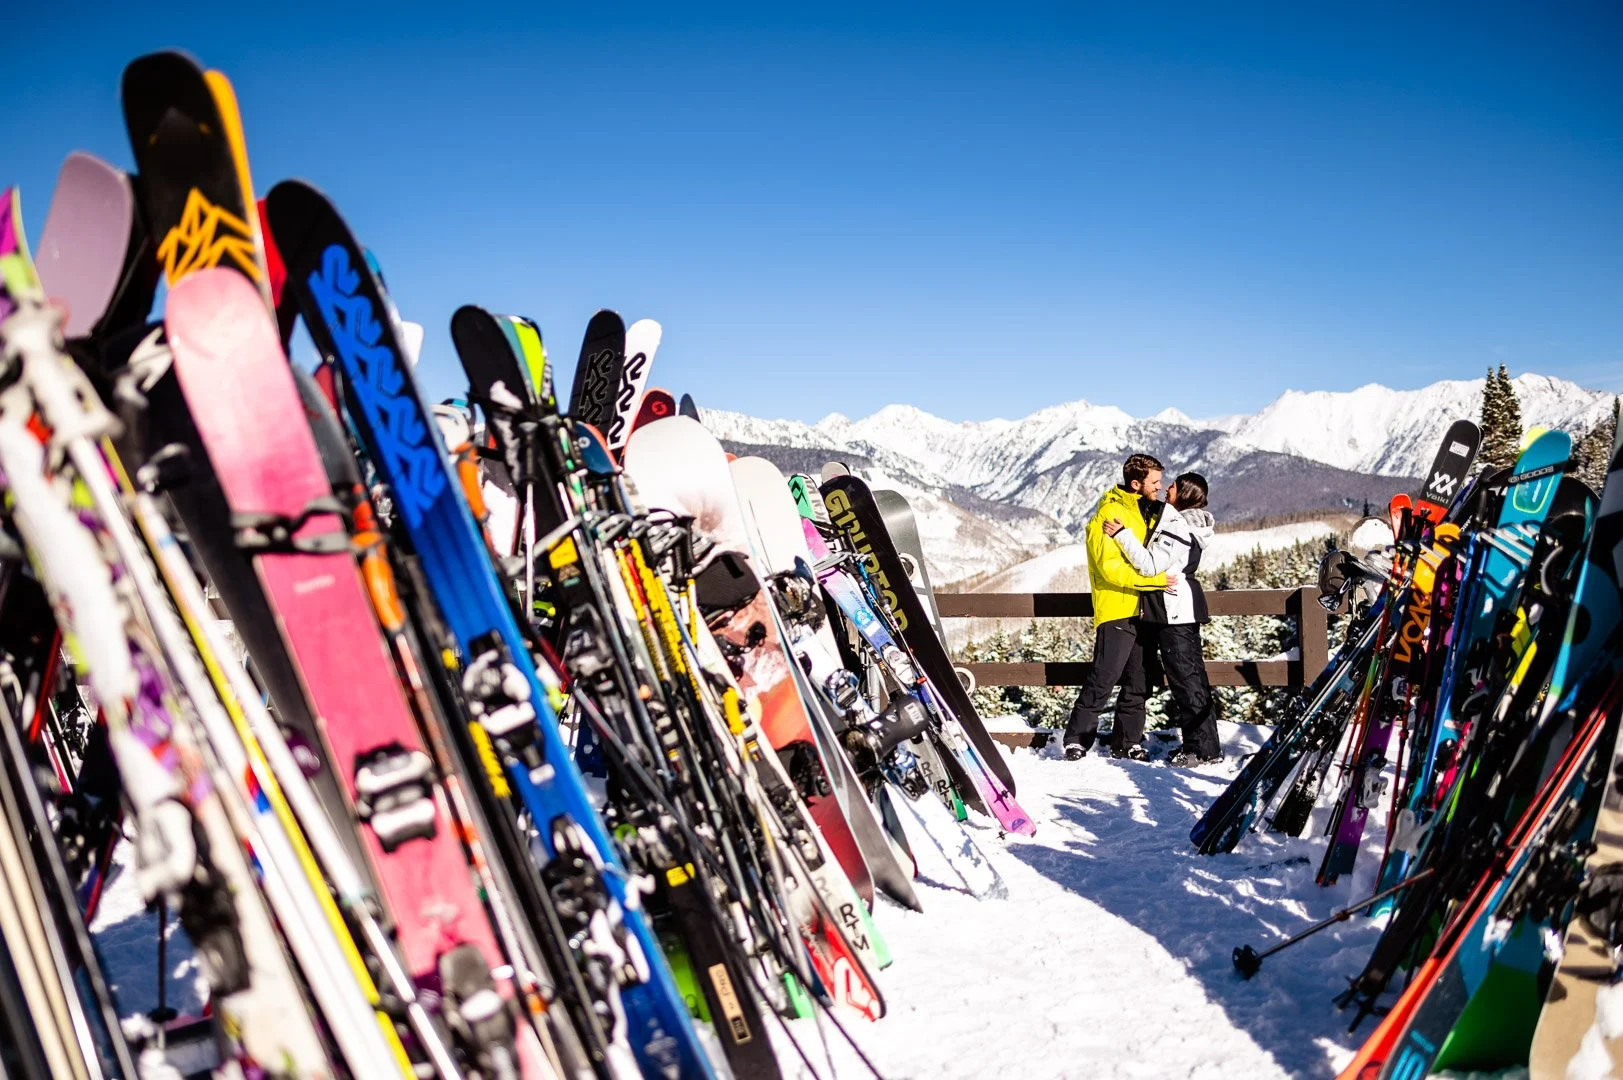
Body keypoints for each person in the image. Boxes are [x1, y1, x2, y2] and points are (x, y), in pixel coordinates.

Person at [1104, 472, 1223, 766]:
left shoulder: (1179, 527)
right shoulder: (1191, 525)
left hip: (1175, 612)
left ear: (1184, 494)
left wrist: (1121, 535)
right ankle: (1204, 746)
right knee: (1191, 678)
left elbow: (1149, 565)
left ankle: (1201, 750)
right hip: (1179, 610)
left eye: (1172, 486)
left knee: (1186, 680)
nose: (1166, 489)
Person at [1062, 453, 1173, 761]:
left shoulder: (1144, 509)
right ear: (1136, 484)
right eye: (1154, 482)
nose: (1160, 487)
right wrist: (1156, 581)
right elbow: (1108, 567)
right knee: (1104, 675)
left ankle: (1127, 742)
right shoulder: (1110, 514)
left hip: (1145, 609)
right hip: (1117, 608)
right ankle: (1077, 740)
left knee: (1139, 680)